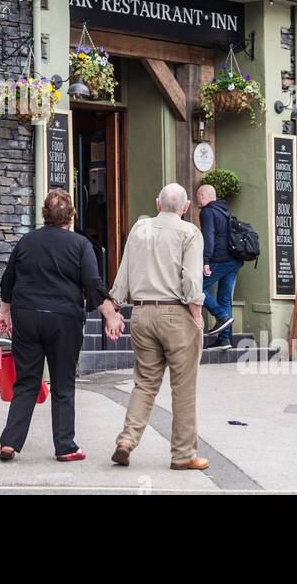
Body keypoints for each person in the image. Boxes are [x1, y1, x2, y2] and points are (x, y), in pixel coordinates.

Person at [0, 189, 125, 463]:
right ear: (72, 215)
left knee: (27, 381)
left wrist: (4, 314)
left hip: (27, 316)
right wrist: (110, 314)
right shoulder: (80, 245)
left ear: (45, 213)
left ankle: (9, 443)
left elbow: (9, 280)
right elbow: (92, 284)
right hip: (63, 320)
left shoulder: (27, 241)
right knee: (63, 383)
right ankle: (65, 446)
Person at [107, 183, 209, 472]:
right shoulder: (190, 232)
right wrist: (197, 312)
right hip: (176, 313)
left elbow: (124, 272)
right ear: (186, 207)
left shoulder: (140, 229)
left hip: (141, 313)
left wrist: (114, 306)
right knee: (184, 388)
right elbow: (191, 279)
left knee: (145, 383)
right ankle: (183, 454)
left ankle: (127, 440)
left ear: (157, 203)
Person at [196, 183, 239, 349]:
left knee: (196, 287)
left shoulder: (207, 211)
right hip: (234, 261)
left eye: (199, 195)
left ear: (205, 197)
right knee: (225, 298)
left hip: (220, 260)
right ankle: (225, 340)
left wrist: (205, 261)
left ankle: (220, 316)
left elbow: (209, 237)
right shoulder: (225, 211)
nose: (197, 198)